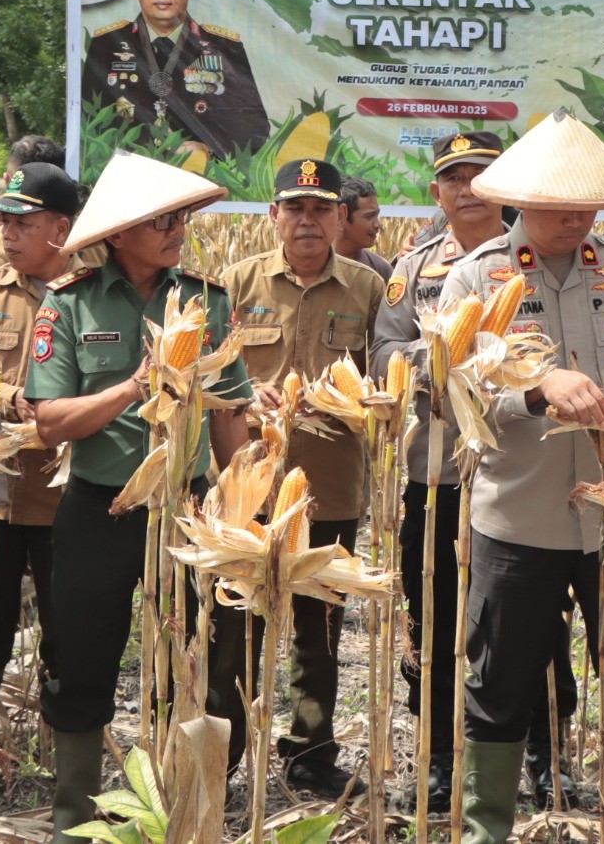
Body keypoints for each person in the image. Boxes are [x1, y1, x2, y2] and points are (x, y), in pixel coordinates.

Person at [439, 110, 604, 844]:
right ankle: (487, 829)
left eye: (588, 203)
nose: (576, 216)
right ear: (522, 197)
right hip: (519, 518)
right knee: (499, 684)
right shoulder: (475, 278)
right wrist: (538, 391)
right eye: (559, 202)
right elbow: (451, 394)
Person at [27, 152, 255, 838]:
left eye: (182, 215)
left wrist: (247, 511)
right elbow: (49, 421)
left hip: (185, 509)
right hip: (100, 506)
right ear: (120, 230)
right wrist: (134, 386)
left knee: (199, 656)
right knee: (81, 653)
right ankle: (77, 813)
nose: (178, 226)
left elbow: (230, 416)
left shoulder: (207, 301)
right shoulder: (67, 302)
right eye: (162, 217)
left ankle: (187, 803)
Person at [371, 130, 567, 811]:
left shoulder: (540, 257)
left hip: (522, 474)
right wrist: (450, 366)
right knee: (435, 621)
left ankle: (546, 758)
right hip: (438, 472)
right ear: (437, 191)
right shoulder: (415, 267)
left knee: (535, 623)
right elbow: (385, 354)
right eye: (452, 177)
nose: (466, 187)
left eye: (480, 175)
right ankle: (440, 759)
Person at [218, 158, 383, 797]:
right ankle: (225, 749)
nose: (308, 220)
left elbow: (385, 378)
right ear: (273, 216)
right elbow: (207, 373)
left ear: (341, 217)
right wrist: (246, 393)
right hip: (246, 487)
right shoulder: (235, 283)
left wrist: (346, 397)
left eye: (321, 209)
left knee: (318, 631)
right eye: (295, 208)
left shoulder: (368, 289)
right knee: (234, 628)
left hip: (329, 486)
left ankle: (309, 754)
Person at [0, 163, 81, 748]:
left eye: (23, 222)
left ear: (61, 225)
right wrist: (11, 398)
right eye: (3, 221)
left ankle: (66, 746)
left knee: (67, 629)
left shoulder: (92, 293)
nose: (7, 233)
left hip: (68, 498)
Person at [82, 0, 269, 158]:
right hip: (130, 180)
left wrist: (208, 151)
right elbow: (87, 121)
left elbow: (255, 129)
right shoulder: (106, 45)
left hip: (203, 182)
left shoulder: (224, 48)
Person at [336, 173, 392, 279]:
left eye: (377, 215)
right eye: (369, 216)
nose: (377, 225)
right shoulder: (310, 267)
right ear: (341, 217)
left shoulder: (380, 269)